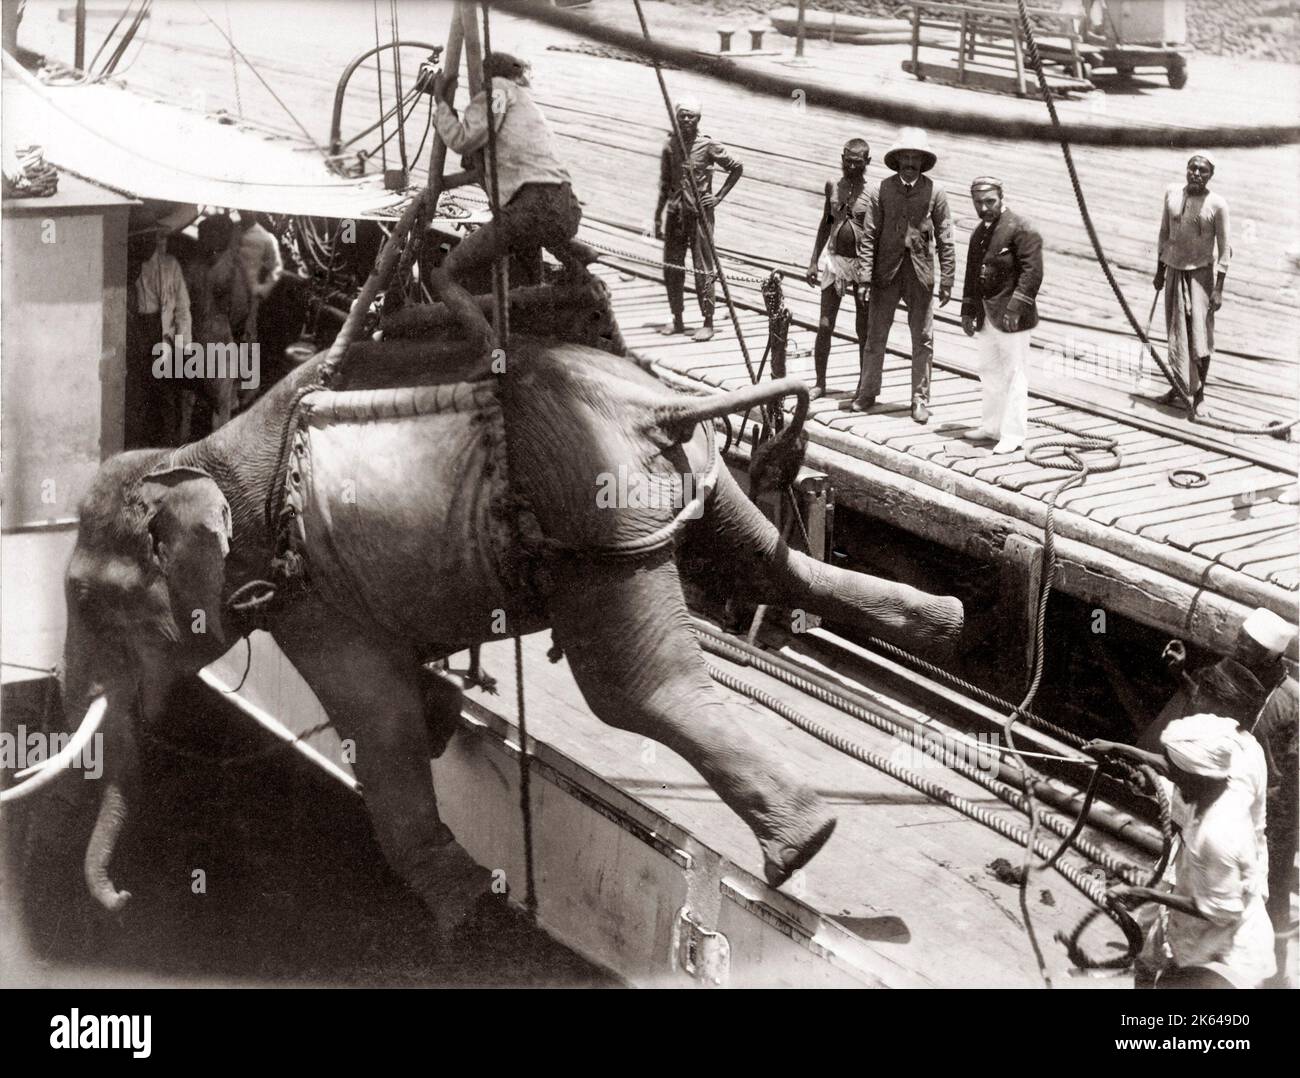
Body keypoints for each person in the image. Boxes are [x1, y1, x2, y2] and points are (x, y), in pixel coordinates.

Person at [1087, 713, 1276, 989]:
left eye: (1177, 775)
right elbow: (1177, 772)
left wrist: (1147, 894)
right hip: (1197, 894)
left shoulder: (1220, 829)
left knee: (1175, 973)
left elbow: (1218, 911)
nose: (1170, 777)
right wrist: (1126, 756)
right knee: (1148, 952)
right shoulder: (1212, 778)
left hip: (1223, 945)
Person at [429, 51, 587, 350]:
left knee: (444, 275)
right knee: (536, 240)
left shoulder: (498, 93)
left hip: (529, 210)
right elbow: (494, 139)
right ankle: (580, 269)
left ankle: (491, 352)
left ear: (485, 75)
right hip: (566, 206)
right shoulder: (526, 103)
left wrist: (441, 105)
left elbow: (464, 139)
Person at [851, 127, 954, 423]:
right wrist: (865, 278)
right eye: (905, 158)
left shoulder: (936, 192)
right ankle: (867, 392)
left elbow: (946, 236)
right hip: (886, 274)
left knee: (923, 339)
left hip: (920, 275)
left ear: (923, 161)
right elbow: (869, 236)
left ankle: (919, 399)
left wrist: (947, 279)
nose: (910, 163)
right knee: (875, 336)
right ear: (897, 160)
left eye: (915, 158)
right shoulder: (880, 190)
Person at [959, 177, 1043, 456]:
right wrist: (968, 309)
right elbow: (971, 274)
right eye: (978, 203)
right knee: (989, 371)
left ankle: (1013, 434)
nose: (984, 208)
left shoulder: (1021, 228)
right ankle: (992, 427)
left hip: (1011, 318)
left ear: (1001, 197)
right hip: (986, 315)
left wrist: (1015, 309)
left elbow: (1032, 273)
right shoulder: (979, 233)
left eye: (990, 201)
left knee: (1014, 374)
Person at [653, 97, 744, 343]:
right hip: (675, 214)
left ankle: (708, 322)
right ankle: (678, 318)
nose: (685, 119)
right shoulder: (670, 145)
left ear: (698, 119)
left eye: (690, 116)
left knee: (703, 268)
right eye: (682, 115)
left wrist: (718, 197)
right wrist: (657, 217)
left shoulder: (708, 145)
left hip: (699, 215)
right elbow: (664, 183)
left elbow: (737, 167)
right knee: (672, 266)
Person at [1154, 153, 1230, 414]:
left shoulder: (1217, 204)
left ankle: (1199, 396)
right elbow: (1164, 233)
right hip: (1174, 269)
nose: (1196, 173)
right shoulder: (1172, 193)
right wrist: (1159, 271)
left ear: (1211, 175)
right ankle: (1178, 386)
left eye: (1203, 170)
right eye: (1192, 168)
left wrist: (1218, 289)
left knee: (1200, 334)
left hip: (1201, 276)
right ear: (1186, 169)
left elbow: (1225, 249)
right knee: (1177, 331)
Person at [805, 138, 872, 401]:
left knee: (863, 329)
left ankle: (862, 387)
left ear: (867, 162)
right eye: (848, 162)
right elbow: (827, 222)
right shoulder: (833, 186)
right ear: (842, 159)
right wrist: (813, 261)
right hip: (834, 261)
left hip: (862, 265)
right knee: (824, 325)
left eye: (858, 163)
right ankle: (820, 383)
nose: (852, 167)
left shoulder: (874, 193)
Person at [132, 226, 192, 446]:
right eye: (153, 238)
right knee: (141, 396)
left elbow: (183, 308)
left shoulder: (171, 265)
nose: (159, 242)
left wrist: (183, 346)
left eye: (163, 237)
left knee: (167, 396)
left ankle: (168, 449)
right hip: (140, 331)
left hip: (164, 334)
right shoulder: (133, 266)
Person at [236, 210, 283, 343]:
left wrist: (263, 290)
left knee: (249, 330)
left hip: (252, 291)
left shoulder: (267, 238)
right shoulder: (234, 230)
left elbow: (276, 269)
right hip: (232, 287)